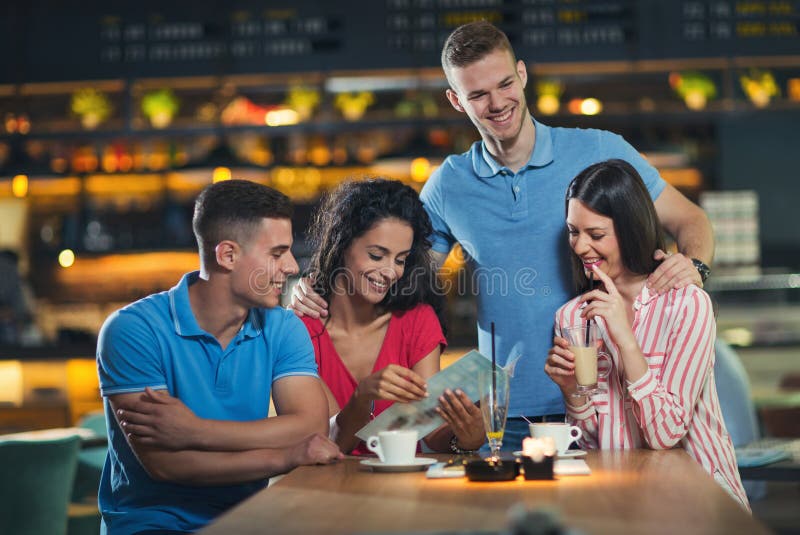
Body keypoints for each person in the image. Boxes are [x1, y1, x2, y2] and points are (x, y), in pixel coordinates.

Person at [292, 21, 715, 450]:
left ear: (523, 75)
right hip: (504, 411)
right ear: (457, 101)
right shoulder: (448, 185)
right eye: (477, 94)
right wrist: (313, 286)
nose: (497, 103)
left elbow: (692, 221)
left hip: (606, 402)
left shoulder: (601, 150)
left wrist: (693, 268)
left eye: (504, 84)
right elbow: (397, 274)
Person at [96, 179, 342, 535]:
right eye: (277, 253)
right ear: (227, 255)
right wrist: (286, 456)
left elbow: (311, 426)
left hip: (249, 521)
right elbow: (167, 464)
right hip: (151, 525)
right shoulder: (132, 330)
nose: (291, 266)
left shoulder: (283, 327)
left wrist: (195, 430)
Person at [544, 159, 748, 509]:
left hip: (700, 500)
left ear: (630, 229)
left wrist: (625, 339)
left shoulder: (685, 305)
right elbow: (594, 443)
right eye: (573, 231)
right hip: (622, 500)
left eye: (595, 235)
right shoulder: (572, 318)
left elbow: (665, 434)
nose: (579, 248)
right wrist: (572, 393)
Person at [302, 178, 485, 455]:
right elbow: (328, 445)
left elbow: (431, 431)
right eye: (377, 255)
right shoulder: (302, 331)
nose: (390, 271)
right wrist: (362, 398)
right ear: (341, 244)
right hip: (325, 491)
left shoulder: (416, 321)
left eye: (400, 260)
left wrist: (463, 436)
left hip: (405, 489)